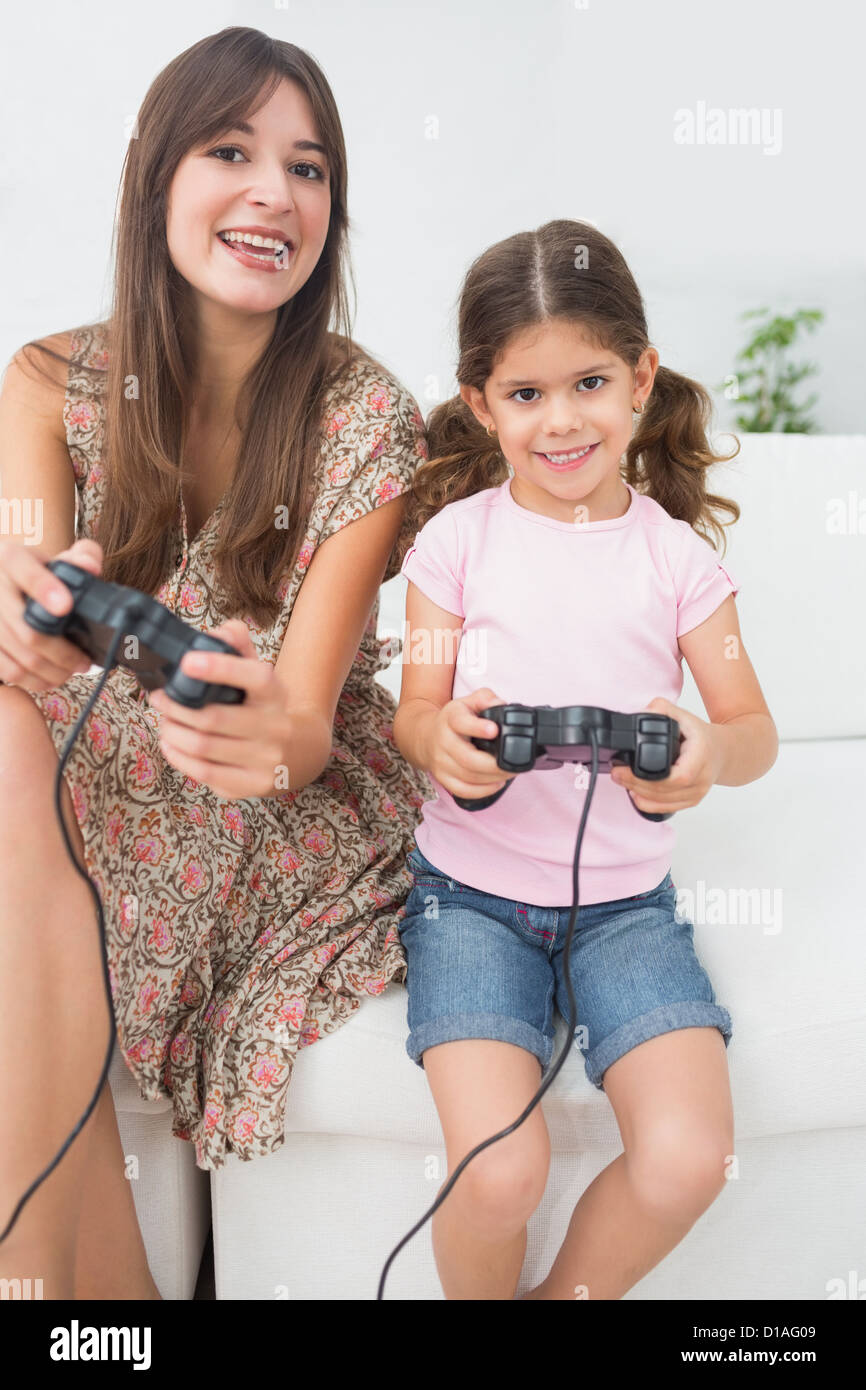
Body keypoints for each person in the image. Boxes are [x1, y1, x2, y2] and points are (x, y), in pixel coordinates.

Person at [0, 27, 430, 1299]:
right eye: (230, 150)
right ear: (154, 177)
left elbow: (299, 728)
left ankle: (46, 1301)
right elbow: (27, 600)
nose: (272, 193)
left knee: (23, 893)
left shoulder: (366, 418)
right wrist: (23, 619)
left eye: (307, 169)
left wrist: (254, 727)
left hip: (271, 807)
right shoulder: (44, 380)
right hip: (79, 772)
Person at [392, 218, 779, 1300]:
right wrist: (444, 741)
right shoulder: (452, 544)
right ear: (480, 404)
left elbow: (751, 727)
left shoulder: (678, 562)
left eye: (589, 383)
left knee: (687, 1154)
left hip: (624, 907)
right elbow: (409, 714)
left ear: (639, 381)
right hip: (464, 898)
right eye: (524, 395)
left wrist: (705, 749)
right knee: (497, 1168)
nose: (560, 421)